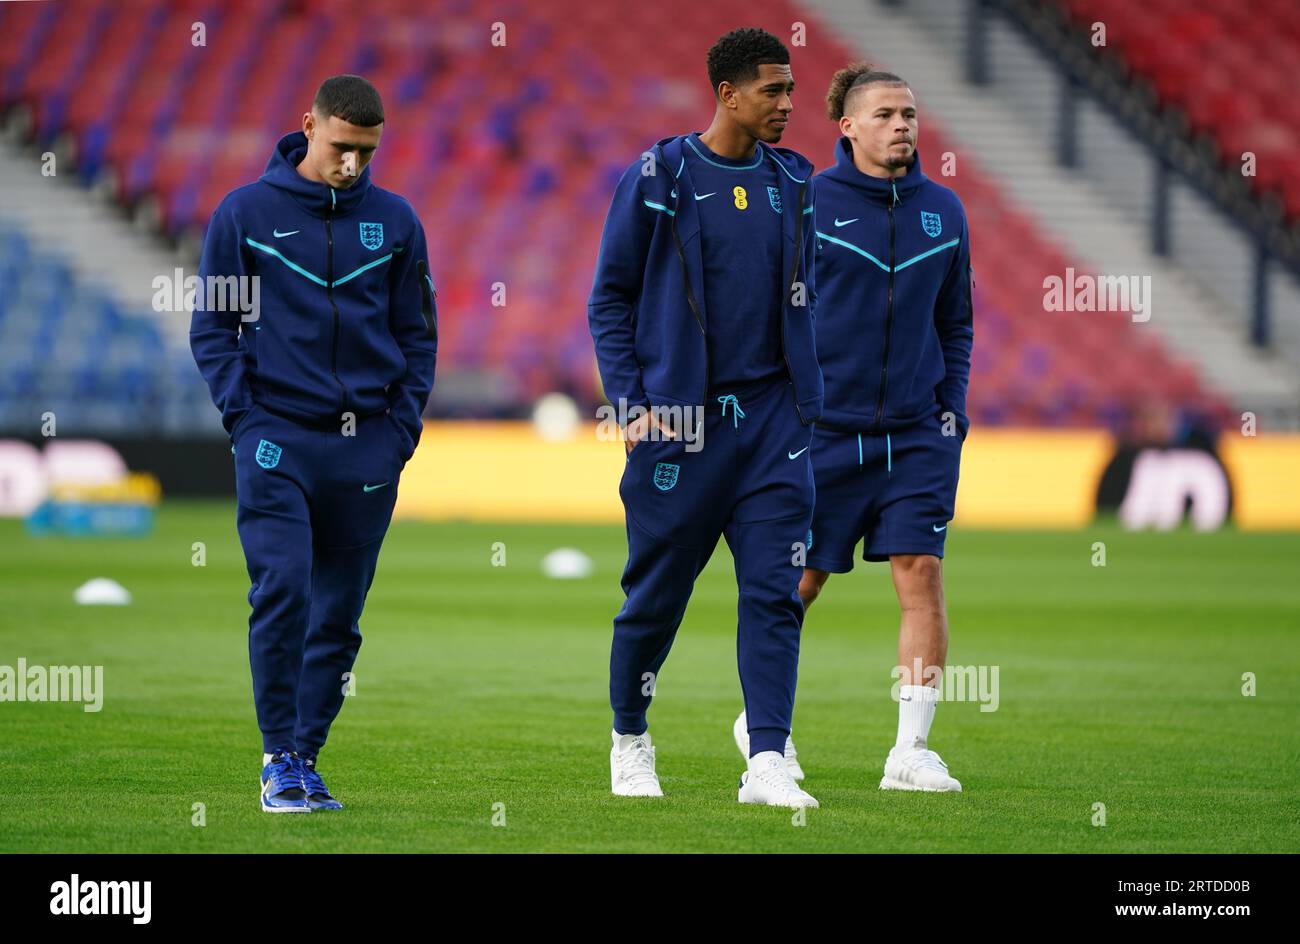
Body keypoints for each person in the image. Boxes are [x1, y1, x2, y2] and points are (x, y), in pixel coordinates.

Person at [589, 28, 823, 808]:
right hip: (680, 431)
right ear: (727, 94)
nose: (788, 105)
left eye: (791, 90)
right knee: (654, 601)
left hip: (771, 427)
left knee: (773, 592)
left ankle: (765, 758)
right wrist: (633, 405)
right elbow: (610, 298)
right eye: (773, 91)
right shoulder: (660, 176)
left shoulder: (795, 182)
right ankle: (630, 737)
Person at [190, 74, 437, 812]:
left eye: (366, 151)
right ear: (309, 125)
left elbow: (417, 336)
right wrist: (247, 419)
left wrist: (401, 431)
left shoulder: (396, 221)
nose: (351, 165)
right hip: (277, 441)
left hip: (369, 450)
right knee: (283, 590)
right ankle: (276, 758)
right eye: (340, 148)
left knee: (338, 616)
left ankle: (303, 756)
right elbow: (214, 330)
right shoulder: (244, 214)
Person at [736, 63, 973, 792]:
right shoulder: (808, 204)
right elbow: (777, 312)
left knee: (921, 575)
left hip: (918, 433)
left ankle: (911, 751)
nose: (902, 124)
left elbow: (955, 322)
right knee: (798, 585)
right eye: (885, 114)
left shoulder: (945, 211)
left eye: (908, 113)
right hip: (826, 432)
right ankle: (763, 727)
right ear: (847, 126)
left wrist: (952, 409)